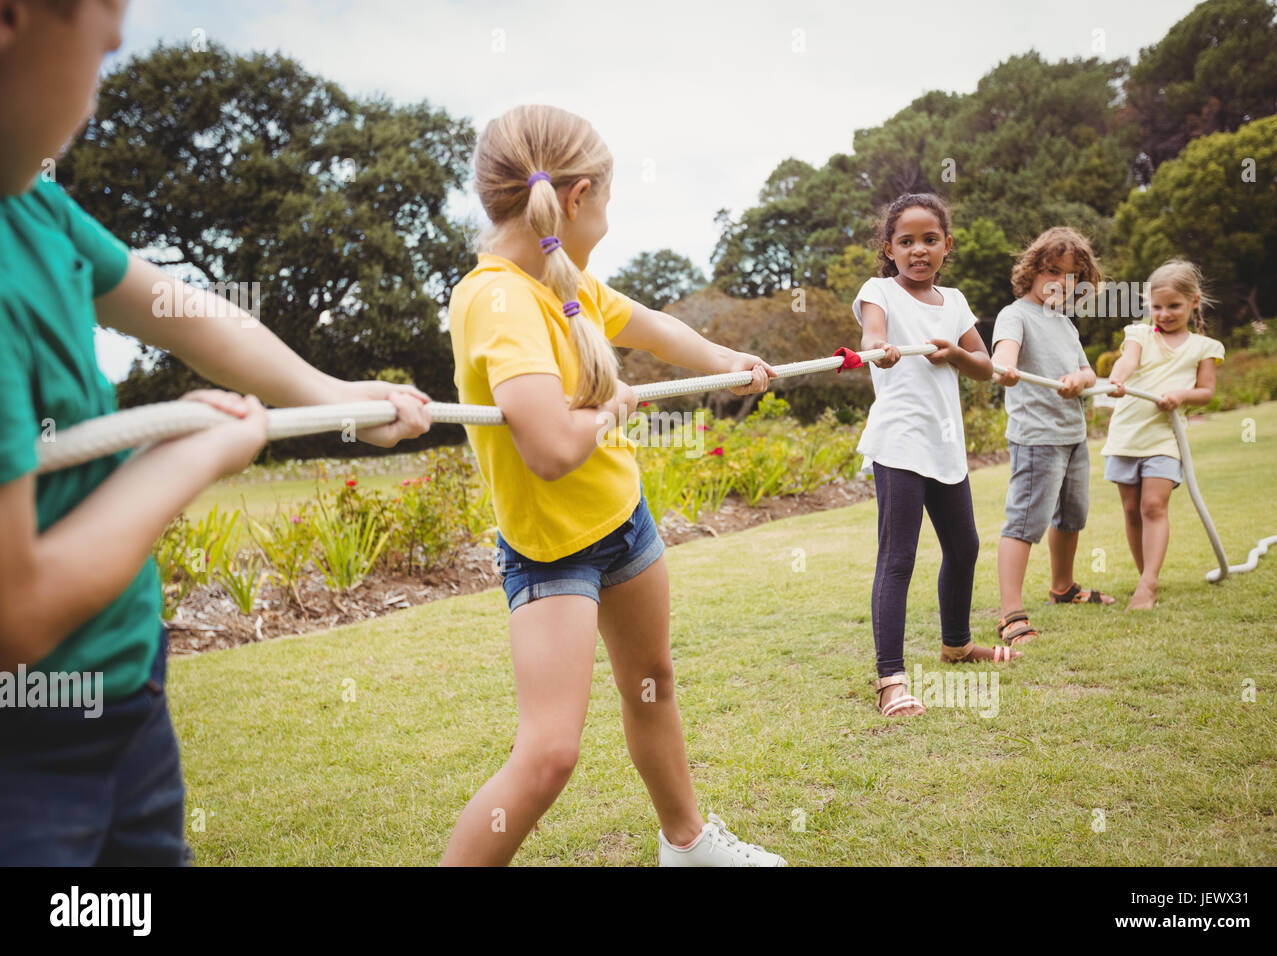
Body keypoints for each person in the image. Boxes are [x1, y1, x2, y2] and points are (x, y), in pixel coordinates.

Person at [0, 0, 433, 864]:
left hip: (128, 701)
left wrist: (334, 397)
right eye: (105, 47)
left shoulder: (32, 205)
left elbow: (187, 313)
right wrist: (192, 454)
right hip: (27, 761)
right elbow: (16, 612)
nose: (98, 88)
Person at [442, 104, 787, 866]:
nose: (608, 216)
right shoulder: (497, 299)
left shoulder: (566, 283)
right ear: (579, 195)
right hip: (551, 553)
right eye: (608, 199)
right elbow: (551, 448)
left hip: (623, 523)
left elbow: (660, 329)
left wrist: (733, 362)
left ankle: (688, 844)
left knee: (652, 683)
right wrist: (611, 408)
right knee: (549, 755)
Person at [852, 193, 1017, 721]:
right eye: (906, 242)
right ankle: (890, 681)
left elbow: (986, 367)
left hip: (945, 443)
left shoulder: (956, 302)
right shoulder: (878, 291)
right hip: (900, 442)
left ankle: (957, 645)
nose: (918, 250)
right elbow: (872, 334)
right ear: (889, 248)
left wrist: (956, 353)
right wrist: (882, 346)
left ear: (948, 244)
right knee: (898, 557)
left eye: (929, 240)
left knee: (964, 546)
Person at [990, 226, 1114, 648]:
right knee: (1025, 522)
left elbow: (1088, 371)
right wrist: (1003, 365)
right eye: (1052, 271)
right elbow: (1004, 353)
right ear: (1032, 270)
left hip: (1073, 434)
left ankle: (1063, 586)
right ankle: (1010, 615)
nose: (1062, 282)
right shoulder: (1015, 315)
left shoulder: (1064, 323)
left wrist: (1079, 378)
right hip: (1036, 437)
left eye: (1072, 275)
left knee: (1072, 515)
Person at [1103, 260, 1224, 611]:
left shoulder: (1204, 346)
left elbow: (1205, 392)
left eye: (1174, 306)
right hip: (1126, 433)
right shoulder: (1139, 334)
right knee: (1131, 511)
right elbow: (1127, 362)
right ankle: (1145, 575)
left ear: (1193, 302)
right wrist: (1117, 378)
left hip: (1164, 438)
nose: (1165, 314)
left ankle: (1149, 585)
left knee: (1153, 506)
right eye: (1157, 307)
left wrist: (1181, 396)